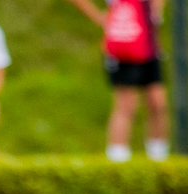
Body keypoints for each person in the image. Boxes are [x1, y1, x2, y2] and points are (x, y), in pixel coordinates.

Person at [65, 0, 169, 161]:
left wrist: (156, 8)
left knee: (157, 102)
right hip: (124, 42)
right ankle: (118, 159)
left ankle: (159, 158)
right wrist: (99, 17)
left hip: (149, 43)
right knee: (126, 105)